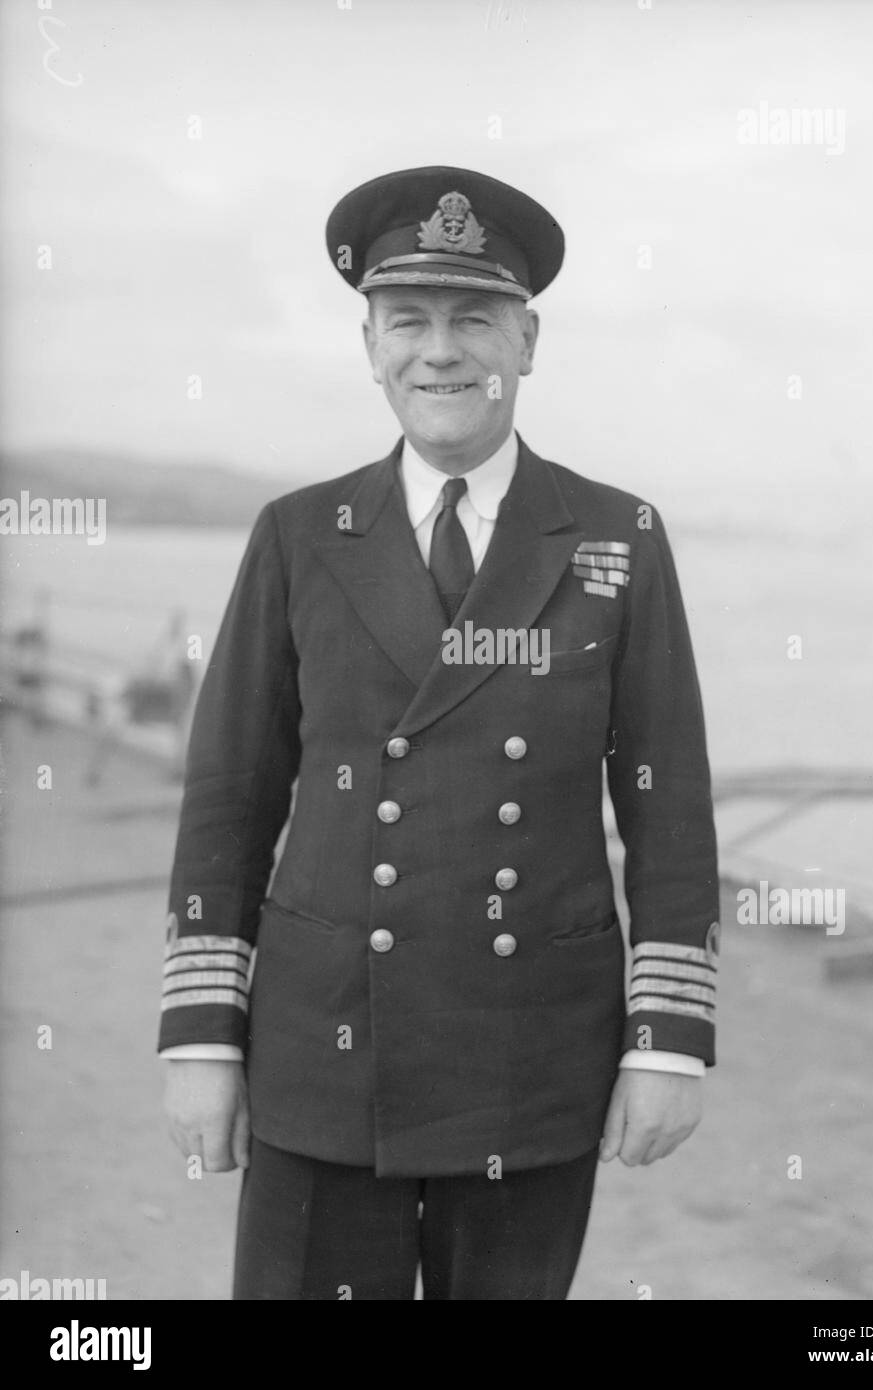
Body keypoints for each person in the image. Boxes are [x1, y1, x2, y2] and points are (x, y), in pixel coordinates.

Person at [159, 166, 720, 1301]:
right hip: (325, 1048)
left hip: (532, 1057)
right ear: (369, 346)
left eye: (475, 319)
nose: (441, 351)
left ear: (529, 340)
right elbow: (228, 799)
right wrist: (202, 1036)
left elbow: (669, 811)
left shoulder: (617, 537)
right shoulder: (299, 534)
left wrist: (666, 1041)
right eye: (407, 320)